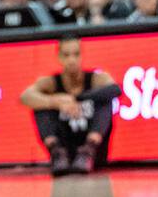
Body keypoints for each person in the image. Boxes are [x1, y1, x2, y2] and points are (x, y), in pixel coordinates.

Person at [20, 36, 120, 175]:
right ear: (59, 58)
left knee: (105, 100)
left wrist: (78, 98)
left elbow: (115, 89)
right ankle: (57, 152)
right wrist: (56, 101)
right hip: (65, 148)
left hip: (93, 149)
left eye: (76, 54)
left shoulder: (96, 78)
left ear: (81, 56)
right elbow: (25, 97)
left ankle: (88, 151)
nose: (72, 60)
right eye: (66, 55)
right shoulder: (51, 82)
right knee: (40, 104)